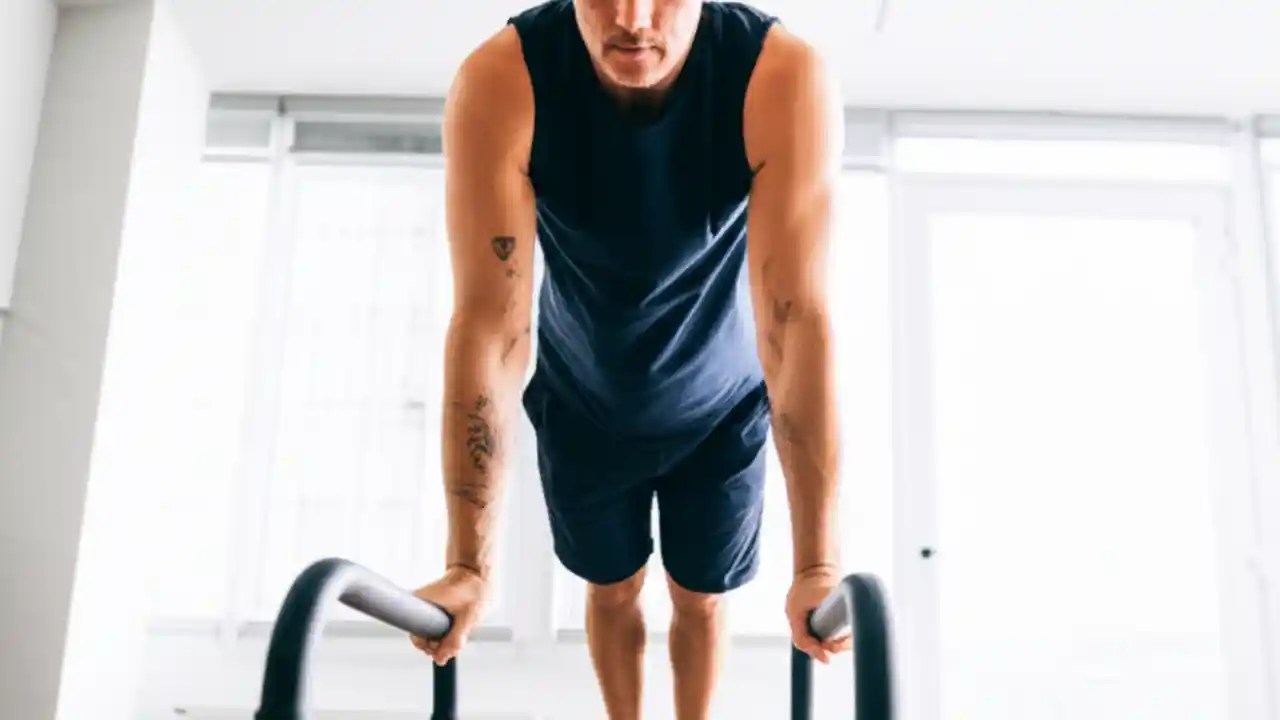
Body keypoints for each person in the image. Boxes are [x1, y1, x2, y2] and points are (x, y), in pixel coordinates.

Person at [411, 0, 849, 716]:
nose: (634, 18)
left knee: (700, 598)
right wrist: (467, 565)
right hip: (583, 400)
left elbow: (793, 322)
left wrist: (818, 565)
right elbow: (492, 327)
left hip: (720, 406)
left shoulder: (779, 75)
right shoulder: (503, 77)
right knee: (611, 588)